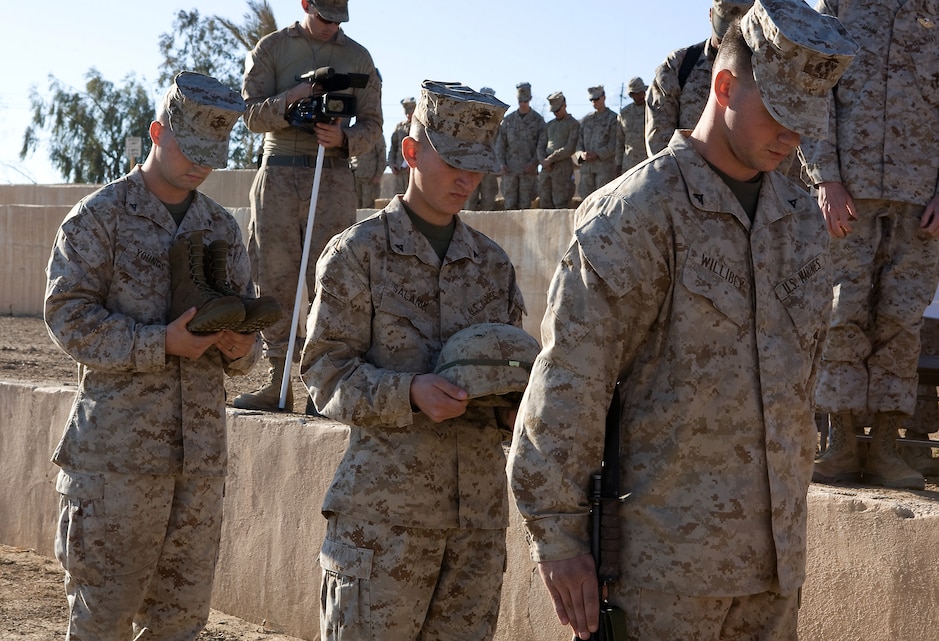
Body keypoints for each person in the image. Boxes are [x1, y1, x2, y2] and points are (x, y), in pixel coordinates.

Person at [508, 2, 857, 639]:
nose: (793, 135)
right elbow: (569, 387)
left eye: (806, 120)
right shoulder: (637, 214)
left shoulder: (802, 222)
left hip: (775, 573)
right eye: (779, 112)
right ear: (724, 85)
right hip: (663, 577)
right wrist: (558, 538)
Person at [300, 80, 527, 641]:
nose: (465, 180)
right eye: (452, 162)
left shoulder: (492, 266)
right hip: (383, 525)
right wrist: (409, 394)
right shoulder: (359, 254)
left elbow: (505, 381)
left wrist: (517, 403)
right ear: (410, 151)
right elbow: (325, 373)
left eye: (476, 167)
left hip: (474, 528)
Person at [44, 72, 261, 640]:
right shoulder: (100, 217)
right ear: (157, 131)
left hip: (199, 465)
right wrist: (157, 343)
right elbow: (67, 316)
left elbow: (244, 350)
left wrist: (240, 347)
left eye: (212, 154)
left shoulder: (220, 227)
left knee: (180, 624)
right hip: (116, 465)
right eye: (189, 150)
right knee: (104, 620)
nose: (200, 165)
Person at [802, 0, 939, 490]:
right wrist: (826, 178)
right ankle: (840, 438)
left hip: (920, 199)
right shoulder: (838, 6)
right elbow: (814, 90)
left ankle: (885, 444)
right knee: (843, 310)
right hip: (849, 194)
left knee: (901, 321)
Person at [236, 0, 383, 412]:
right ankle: (277, 382)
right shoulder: (273, 48)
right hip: (279, 172)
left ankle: (322, 385)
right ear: (305, 4)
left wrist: (344, 140)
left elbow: (372, 124)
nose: (330, 26)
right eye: (324, 17)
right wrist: (295, 97)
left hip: (332, 175)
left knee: (331, 278)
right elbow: (248, 114)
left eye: (338, 19)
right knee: (276, 277)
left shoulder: (358, 58)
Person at [645, 0, 754, 156]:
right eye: (723, 33)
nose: (729, 40)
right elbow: (659, 141)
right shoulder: (679, 65)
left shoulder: (768, 70)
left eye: (738, 32)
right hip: (686, 175)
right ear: (711, 15)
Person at [495, 81, 546, 210]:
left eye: (525, 101)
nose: (523, 104)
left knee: (526, 206)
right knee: (509, 205)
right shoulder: (508, 120)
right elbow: (500, 144)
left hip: (527, 171)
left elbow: (541, 145)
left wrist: (534, 163)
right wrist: (501, 164)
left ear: (530, 99)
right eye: (520, 101)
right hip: (510, 171)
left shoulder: (538, 120)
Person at [575, 85, 620, 199]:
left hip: (604, 169)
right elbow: (579, 143)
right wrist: (581, 154)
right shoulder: (586, 120)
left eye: (597, 99)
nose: (594, 102)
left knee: (603, 201)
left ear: (604, 97)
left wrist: (598, 154)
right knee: (586, 201)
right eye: (592, 100)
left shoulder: (613, 118)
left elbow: (614, 143)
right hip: (587, 171)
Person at [537, 91, 580, 209]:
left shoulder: (573, 124)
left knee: (561, 203)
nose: (556, 113)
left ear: (564, 105)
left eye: (558, 110)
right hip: (546, 169)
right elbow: (541, 145)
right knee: (545, 203)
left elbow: (570, 147)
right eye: (554, 111)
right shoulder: (549, 125)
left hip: (562, 168)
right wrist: (543, 161)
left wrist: (551, 159)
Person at [465, 86, 502, 210]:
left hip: (489, 168)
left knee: (488, 202)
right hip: (472, 167)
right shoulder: (469, 121)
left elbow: (500, 145)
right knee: (469, 202)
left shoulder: (498, 123)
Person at [617, 76, 649, 174]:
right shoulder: (624, 113)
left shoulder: (653, 110)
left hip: (648, 162)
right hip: (629, 164)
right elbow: (619, 141)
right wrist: (618, 164)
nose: (639, 96)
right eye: (635, 94)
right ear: (631, 95)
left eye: (641, 92)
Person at [388, 96, 416, 195]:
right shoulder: (400, 126)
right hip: (399, 169)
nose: (409, 115)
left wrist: (413, 165)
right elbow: (393, 147)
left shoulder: (420, 127)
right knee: (399, 197)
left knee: (413, 196)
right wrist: (392, 164)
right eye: (407, 112)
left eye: (411, 111)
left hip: (414, 169)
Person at [351, 134, 386, 208]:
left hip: (370, 178)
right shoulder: (354, 132)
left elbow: (382, 156)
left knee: (368, 206)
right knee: (356, 206)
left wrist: (378, 175)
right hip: (356, 176)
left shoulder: (376, 134)